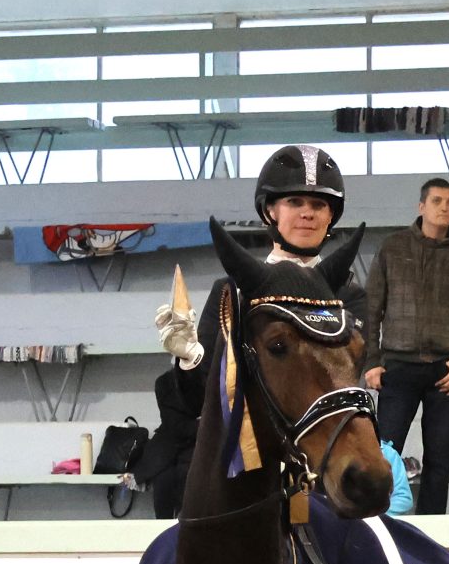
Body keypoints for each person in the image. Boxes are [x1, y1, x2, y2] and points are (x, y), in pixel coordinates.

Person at [150, 142, 364, 438]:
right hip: (246, 454)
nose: (308, 213)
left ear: (331, 217)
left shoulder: (349, 297)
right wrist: (190, 358)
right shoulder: (229, 293)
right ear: (269, 211)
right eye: (295, 202)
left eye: (318, 205)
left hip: (323, 450)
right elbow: (196, 403)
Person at [361, 176, 449, 516]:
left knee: (439, 458)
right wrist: (371, 362)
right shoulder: (392, 248)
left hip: (445, 373)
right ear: (421, 206)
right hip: (397, 367)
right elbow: (370, 310)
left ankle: (433, 529)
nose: (444, 207)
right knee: (383, 451)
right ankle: (377, 521)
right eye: (437, 201)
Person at [134, 360, 201, 519]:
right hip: (173, 444)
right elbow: (176, 425)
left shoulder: (214, 379)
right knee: (165, 479)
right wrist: (202, 423)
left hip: (198, 444)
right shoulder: (165, 383)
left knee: (185, 476)